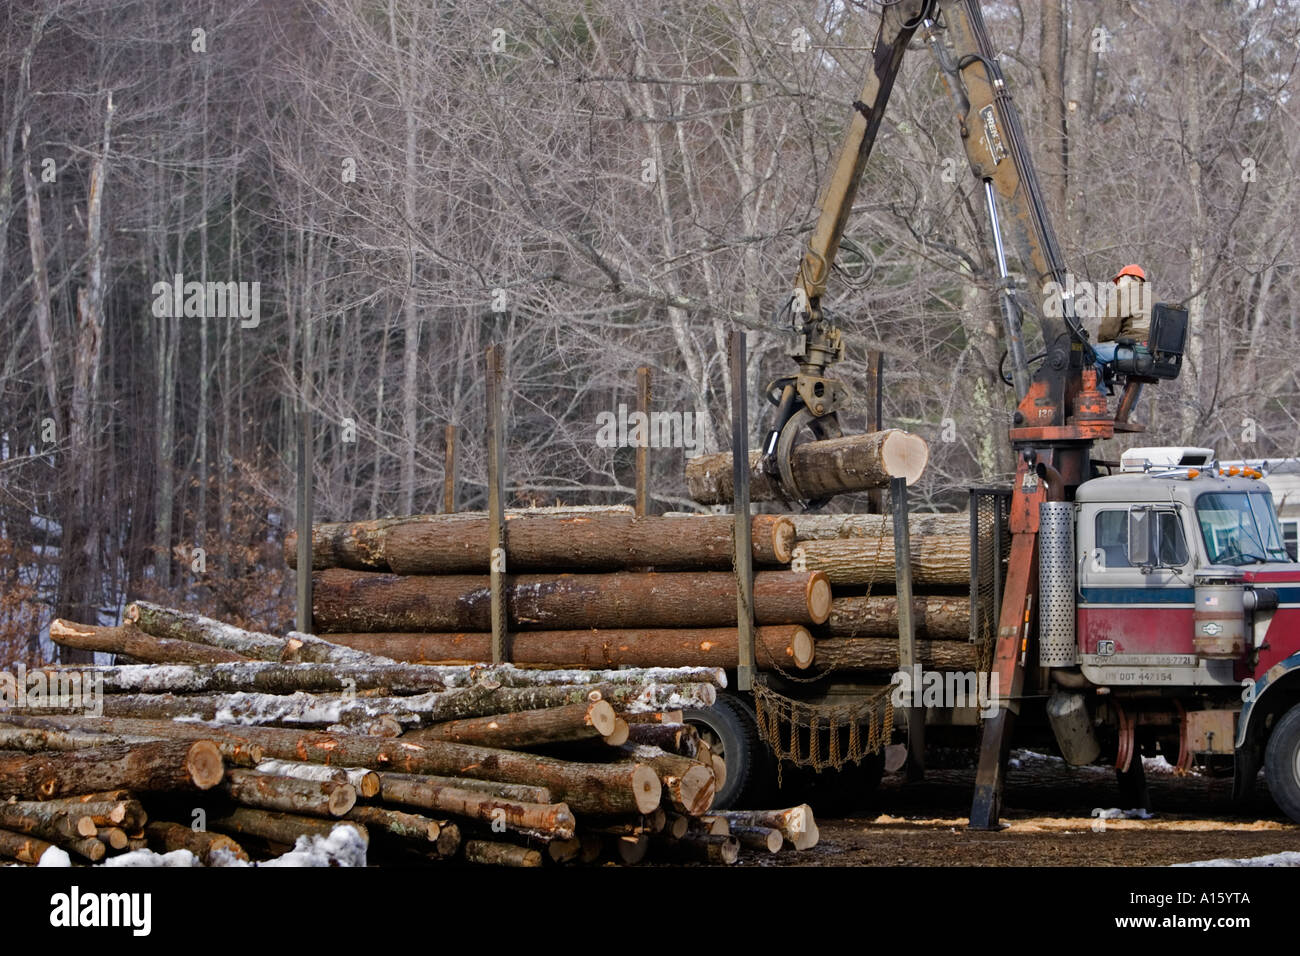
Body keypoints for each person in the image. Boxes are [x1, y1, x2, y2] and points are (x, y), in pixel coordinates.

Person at [1093, 264, 1151, 381]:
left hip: (1135, 352)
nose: (1117, 286)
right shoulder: (1155, 297)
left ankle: (1099, 396)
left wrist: (1104, 340)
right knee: (1138, 372)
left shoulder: (1123, 294)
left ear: (1125, 279)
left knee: (1091, 354)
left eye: (1118, 282)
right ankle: (1129, 400)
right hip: (1154, 355)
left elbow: (1107, 330)